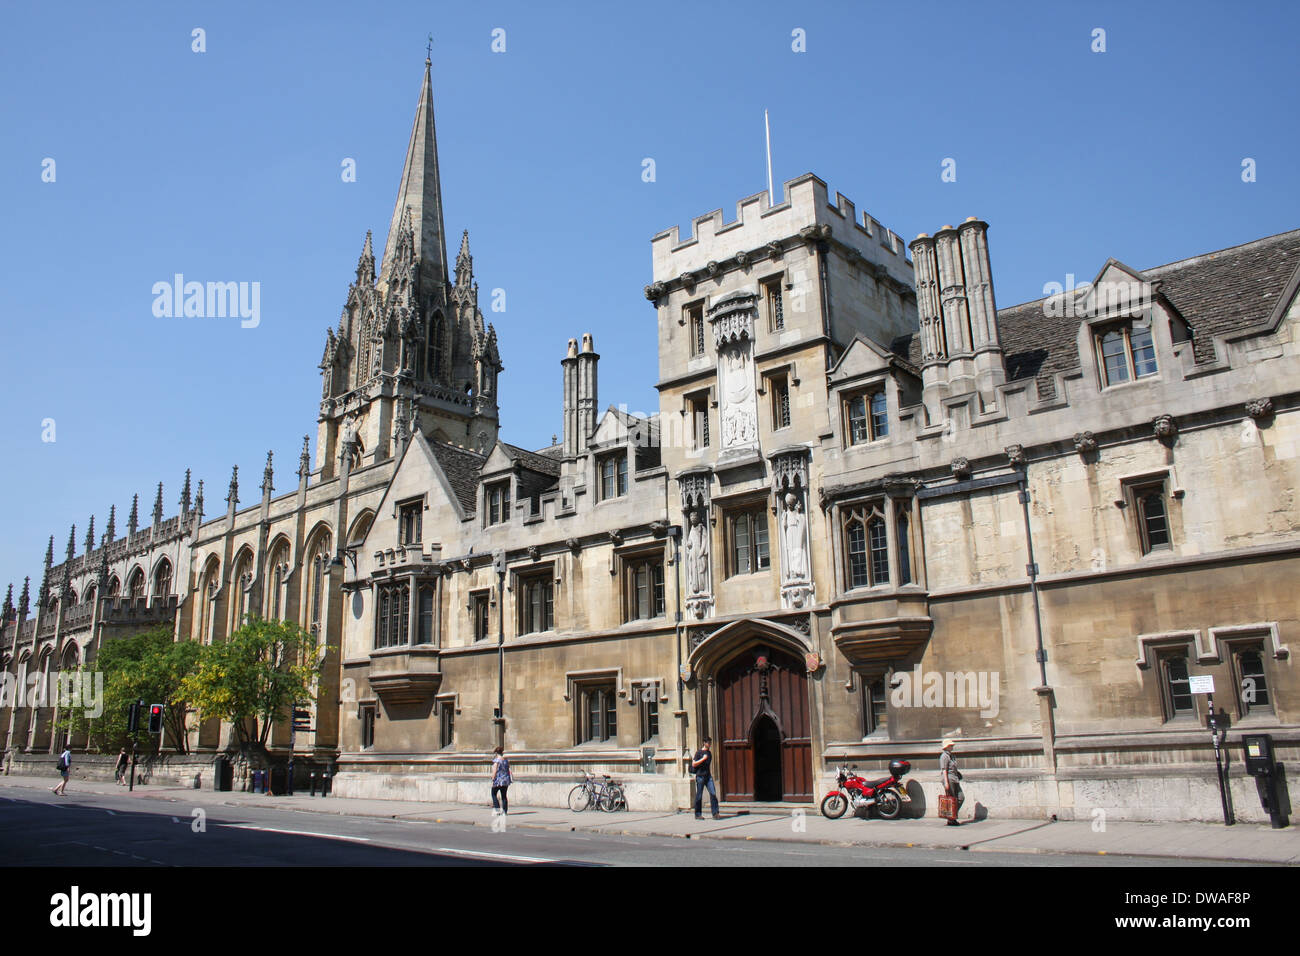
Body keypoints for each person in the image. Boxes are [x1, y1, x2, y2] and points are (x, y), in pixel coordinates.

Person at [691, 737, 719, 820]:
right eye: (708, 743)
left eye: (710, 743)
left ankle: (715, 813)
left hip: (708, 776)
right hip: (700, 776)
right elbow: (694, 764)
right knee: (699, 795)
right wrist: (703, 759)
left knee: (713, 793)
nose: (709, 744)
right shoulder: (699, 753)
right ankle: (698, 814)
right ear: (704, 743)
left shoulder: (709, 753)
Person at [940, 738, 964, 826]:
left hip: (955, 779)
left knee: (960, 797)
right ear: (947, 746)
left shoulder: (952, 756)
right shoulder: (944, 756)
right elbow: (944, 770)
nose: (952, 746)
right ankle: (951, 819)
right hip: (949, 779)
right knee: (952, 799)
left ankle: (951, 816)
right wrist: (946, 782)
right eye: (951, 745)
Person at [490, 746, 512, 815]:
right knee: (504, 796)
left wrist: (493, 778)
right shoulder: (506, 761)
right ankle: (505, 811)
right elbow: (508, 769)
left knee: (493, 794)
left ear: (496, 753)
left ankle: (497, 809)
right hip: (505, 780)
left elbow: (495, 770)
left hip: (498, 780)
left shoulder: (496, 761)